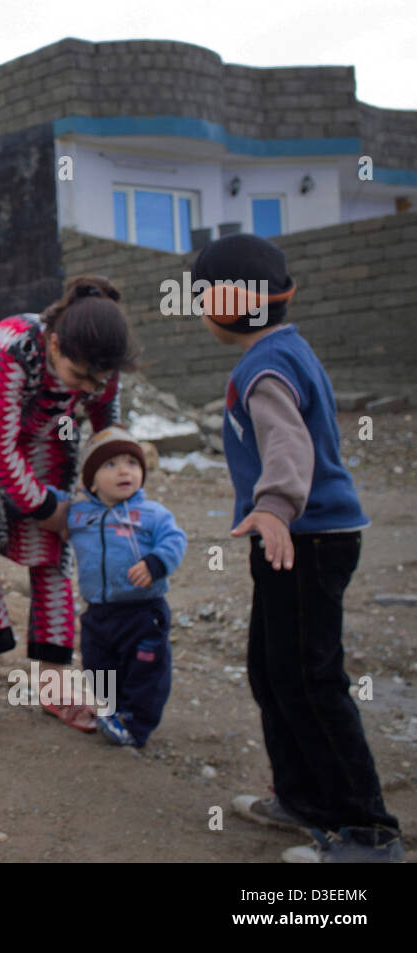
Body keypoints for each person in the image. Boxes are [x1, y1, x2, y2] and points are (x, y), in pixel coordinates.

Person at [192, 232, 402, 863]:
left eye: (200, 296)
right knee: (272, 669)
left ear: (229, 304)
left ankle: (368, 833)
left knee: (310, 681)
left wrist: (275, 507)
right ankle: (303, 798)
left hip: (302, 540)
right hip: (300, 538)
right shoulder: (288, 348)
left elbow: (289, 445)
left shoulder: (263, 370)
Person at [0, 275, 138, 732]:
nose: (89, 388)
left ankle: (53, 679)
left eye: (97, 381)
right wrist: (49, 508)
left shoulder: (100, 366)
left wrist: (100, 497)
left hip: (50, 432)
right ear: (54, 344)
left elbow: (108, 433)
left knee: (53, 551)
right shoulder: (13, 350)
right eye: (79, 376)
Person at [46, 426, 187, 747]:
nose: (124, 471)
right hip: (99, 612)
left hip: (143, 610)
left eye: (131, 463)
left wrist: (156, 563)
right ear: (90, 481)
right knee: (98, 666)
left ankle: (136, 724)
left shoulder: (151, 514)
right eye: (110, 465)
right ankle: (112, 711)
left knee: (145, 670)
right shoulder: (79, 514)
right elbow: (51, 504)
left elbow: (175, 539)